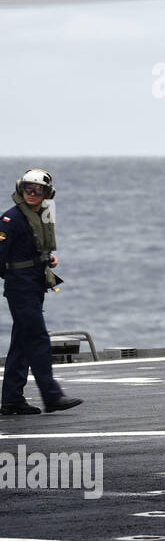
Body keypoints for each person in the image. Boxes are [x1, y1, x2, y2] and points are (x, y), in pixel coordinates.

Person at [0, 169, 82, 416]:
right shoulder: (10, 219)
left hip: (34, 284)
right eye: (27, 189)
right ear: (20, 189)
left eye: (38, 190)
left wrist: (47, 260)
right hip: (21, 287)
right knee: (37, 339)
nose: (32, 194)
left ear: (47, 193)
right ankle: (52, 395)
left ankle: (12, 399)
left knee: (22, 342)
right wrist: (18, 278)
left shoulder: (38, 216)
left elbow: (31, 249)